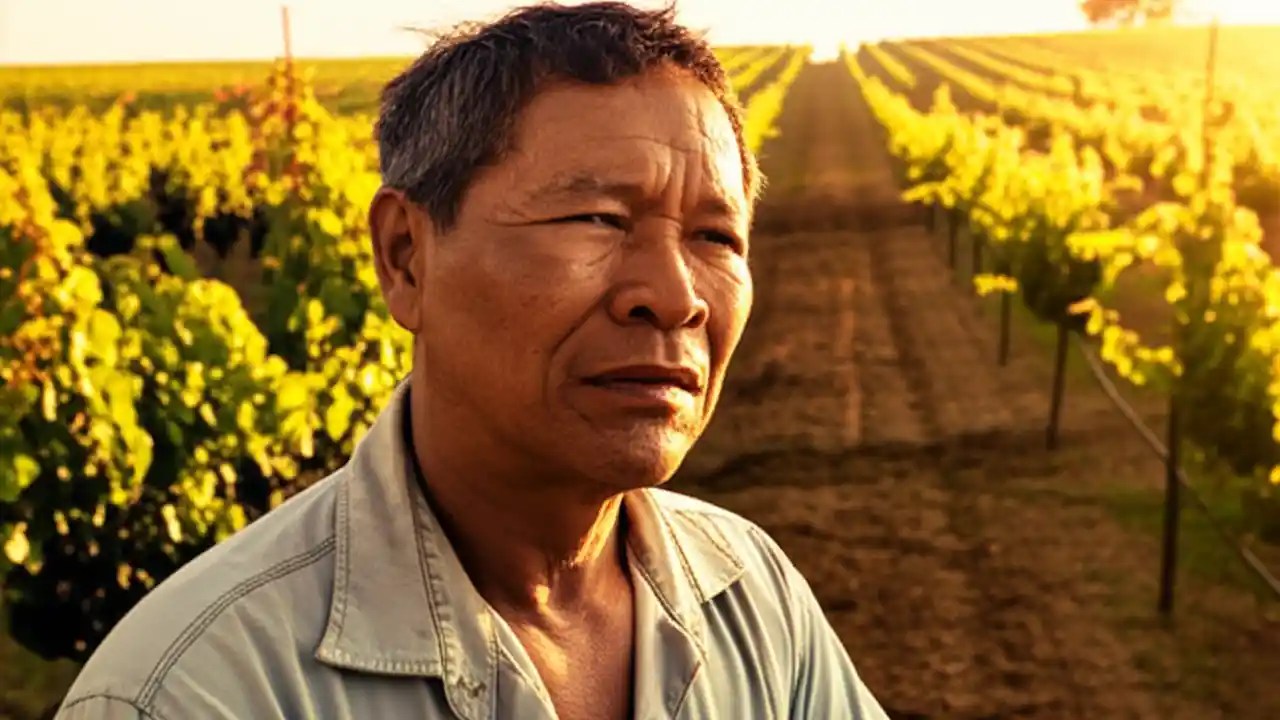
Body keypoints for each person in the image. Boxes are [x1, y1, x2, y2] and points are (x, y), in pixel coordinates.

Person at [56, 3, 887, 718]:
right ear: (405, 257)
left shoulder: (752, 596)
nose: (674, 296)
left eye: (716, 237)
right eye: (596, 219)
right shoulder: (199, 691)